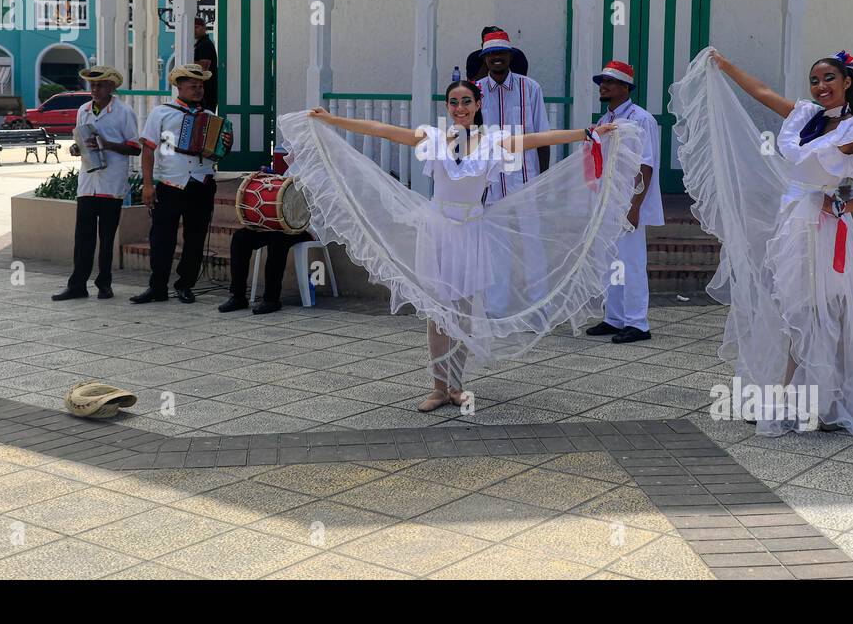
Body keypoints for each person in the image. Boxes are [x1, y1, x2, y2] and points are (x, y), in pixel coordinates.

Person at [276, 78, 644, 413]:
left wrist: (586, 132)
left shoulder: (495, 141)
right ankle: (438, 387)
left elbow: (537, 140)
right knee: (439, 314)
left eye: (467, 101)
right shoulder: (433, 138)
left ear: (478, 103)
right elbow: (384, 131)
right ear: (448, 107)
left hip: (472, 231)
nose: (460, 108)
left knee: (465, 312)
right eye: (454, 102)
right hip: (437, 231)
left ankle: (457, 386)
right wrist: (333, 121)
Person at [668, 48, 853, 441]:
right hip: (792, 222)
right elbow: (760, 91)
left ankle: (825, 404)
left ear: (847, 82)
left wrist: (846, 204)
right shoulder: (807, 118)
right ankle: (793, 401)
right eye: (814, 80)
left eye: (829, 78)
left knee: (818, 312)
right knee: (791, 312)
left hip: (821, 229)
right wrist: (725, 65)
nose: (821, 86)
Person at [131, 63, 233, 305]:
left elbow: (218, 153)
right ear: (179, 87)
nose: (198, 90)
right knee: (161, 238)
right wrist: (147, 184)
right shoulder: (161, 113)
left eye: (201, 86)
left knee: (195, 239)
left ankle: (185, 285)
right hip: (170, 183)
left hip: (201, 183)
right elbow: (148, 150)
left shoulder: (210, 118)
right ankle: (157, 287)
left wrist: (225, 144)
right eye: (192, 85)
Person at [584, 61, 663, 345]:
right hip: (606, 200)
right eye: (601, 81)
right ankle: (614, 317)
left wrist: (635, 205)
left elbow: (646, 164)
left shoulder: (641, 119)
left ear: (625, 87)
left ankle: (637, 322)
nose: (603, 86)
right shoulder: (604, 121)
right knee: (610, 261)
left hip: (627, 200)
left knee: (631, 261)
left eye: (610, 81)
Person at [52, 66, 140, 301]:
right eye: (92, 85)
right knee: (83, 237)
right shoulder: (83, 110)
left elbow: (136, 147)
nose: (94, 89)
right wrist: (75, 148)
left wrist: (108, 144)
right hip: (88, 181)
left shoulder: (123, 112)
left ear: (111, 87)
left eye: (100, 84)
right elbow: (79, 139)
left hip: (111, 183)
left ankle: (105, 284)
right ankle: (77, 284)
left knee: (107, 237)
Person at [475, 29, 549, 200]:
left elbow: (543, 137)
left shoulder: (531, 88)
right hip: (488, 183)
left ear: (510, 56)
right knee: (488, 227)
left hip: (525, 179)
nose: (496, 57)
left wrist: (543, 179)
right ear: (485, 59)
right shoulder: (475, 90)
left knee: (529, 227)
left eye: (501, 52)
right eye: (491, 53)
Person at [219, 189, 313, 315]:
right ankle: (238, 296)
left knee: (278, 238)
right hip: (277, 223)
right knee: (240, 238)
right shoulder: (289, 172)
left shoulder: (322, 174)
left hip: (305, 227)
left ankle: (271, 299)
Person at [465, 25, 529, 83]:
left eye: (501, 51)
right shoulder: (474, 59)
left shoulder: (518, 57)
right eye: (491, 51)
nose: (497, 56)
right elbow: (471, 85)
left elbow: (522, 82)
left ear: (510, 56)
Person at [193, 16, 219, 112]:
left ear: (204, 28)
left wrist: (187, 60)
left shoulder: (205, 44)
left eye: (196, 27)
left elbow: (204, 66)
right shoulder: (201, 43)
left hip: (207, 91)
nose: (194, 30)